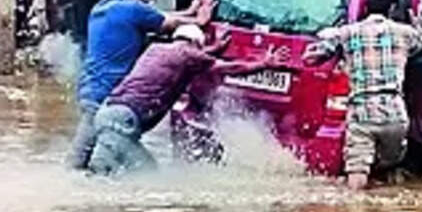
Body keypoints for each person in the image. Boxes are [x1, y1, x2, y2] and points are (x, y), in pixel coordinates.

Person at [88, 25, 287, 174]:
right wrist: (265, 63)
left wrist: (215, 47)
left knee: (99, 175)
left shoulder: (156, 49)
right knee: (149, 181)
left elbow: (194, 57)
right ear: (195, 44)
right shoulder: (188, 53)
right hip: (123, 123)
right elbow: (228, 68)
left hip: (105, 114)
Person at [68, 0, 212, 171]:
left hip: (87, 89)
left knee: (96, 156)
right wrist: (198, 20)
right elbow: (168, 22)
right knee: (79, 160)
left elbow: (157, 16)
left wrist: (189, 11)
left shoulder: (103, 7)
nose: (148, 3)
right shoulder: (134, 9)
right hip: (105, 93)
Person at [303, 0, 422, 191]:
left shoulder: (347, 33)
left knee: (357, 171)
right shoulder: (404, 33)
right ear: (391, 9)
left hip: (361, 112)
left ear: (366, 7)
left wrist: (325, 40)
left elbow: (310, 58)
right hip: (394, 115)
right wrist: (419, 28)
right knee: (389, 170)